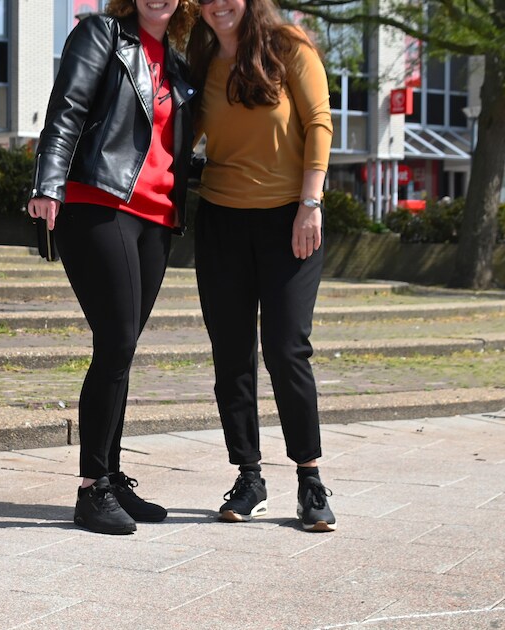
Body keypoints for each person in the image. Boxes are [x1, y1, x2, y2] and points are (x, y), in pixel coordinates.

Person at [26, 0, 199, 535]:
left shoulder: (178, 63)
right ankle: (91, 488)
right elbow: (68, 108)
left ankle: (112, 476)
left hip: (157, 216)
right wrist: (47, 183)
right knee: (117, 343)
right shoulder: (100, 33)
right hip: (100, 202)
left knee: (121, 349)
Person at [187, 0, 336, 531]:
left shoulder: (288, 46)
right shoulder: (202, 58)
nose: (217, 4)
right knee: (231, 354)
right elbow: (180, 132)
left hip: (290, 221)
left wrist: (310, 204)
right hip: (222, 222)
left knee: (286, 349)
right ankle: (249, 476)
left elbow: (320, 122)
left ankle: (310, 479)